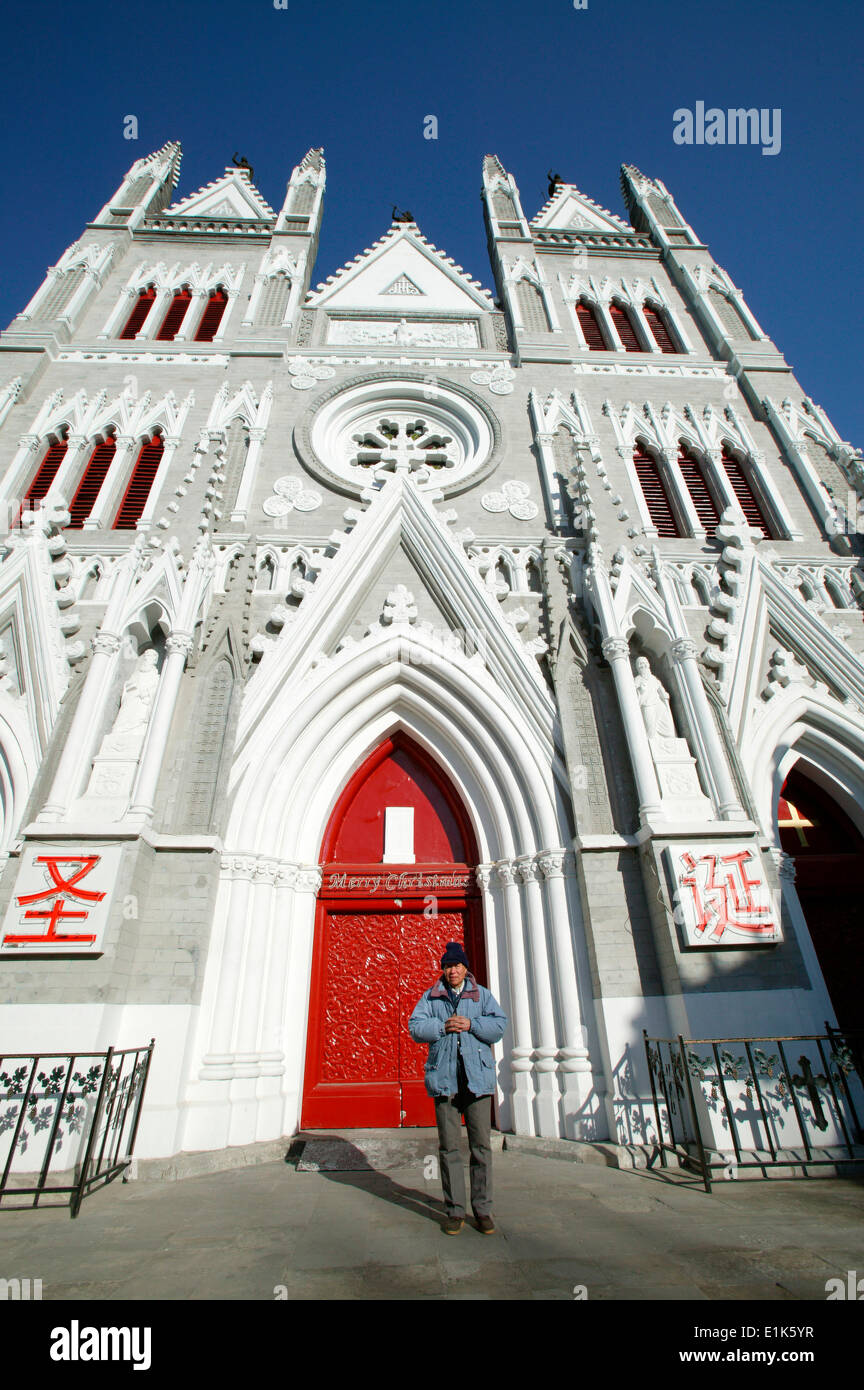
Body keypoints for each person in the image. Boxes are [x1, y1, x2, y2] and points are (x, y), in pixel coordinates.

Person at [409, 941, 507, 1236]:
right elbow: (415, 1027)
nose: (453, 970)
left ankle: (483, 1211)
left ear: (465, 967)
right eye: (448, 966)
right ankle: (454, 1211)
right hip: (446, 1083)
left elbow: (499, 1026)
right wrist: (442, 1027)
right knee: (449, 1148)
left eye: (457, 965)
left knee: (481, 1148)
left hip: (477, 1083)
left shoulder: (482, 996)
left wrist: (472, 1024)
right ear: (444, 969)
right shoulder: (432, 997)